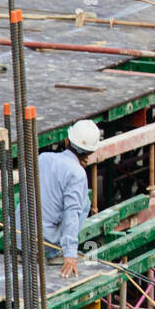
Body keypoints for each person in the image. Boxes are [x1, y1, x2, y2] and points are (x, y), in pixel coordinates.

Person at [32, 119, 100, 278]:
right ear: (90, 153)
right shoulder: (77, 173)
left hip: (23, 238)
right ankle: (56, 252)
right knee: (83, 202)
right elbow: (72, 213)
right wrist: (70, 254)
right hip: (46, 245)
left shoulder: (43, 158)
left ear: (66, 140)